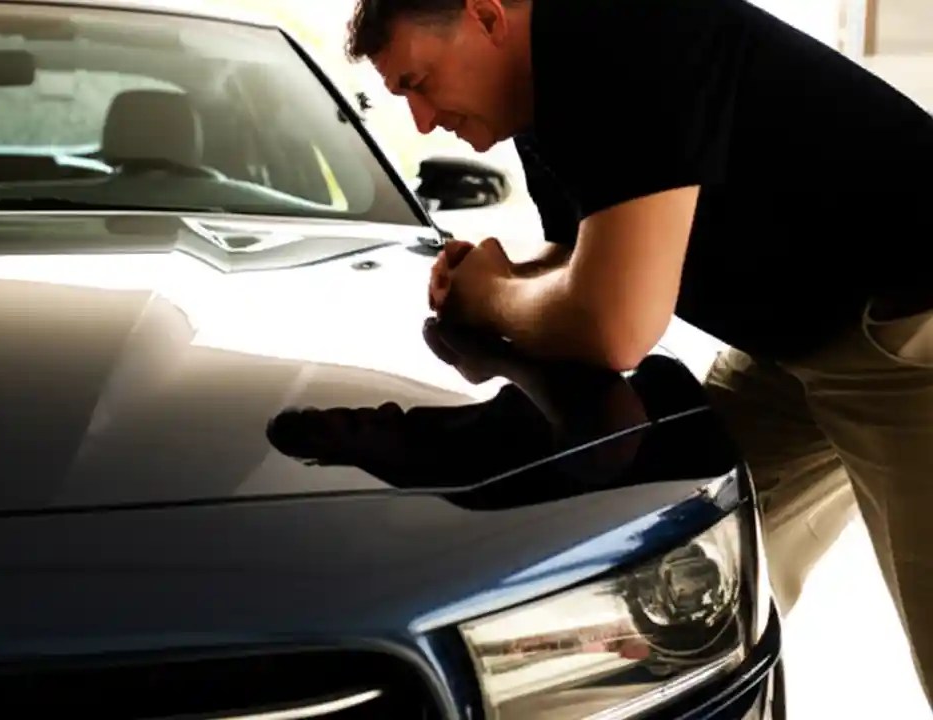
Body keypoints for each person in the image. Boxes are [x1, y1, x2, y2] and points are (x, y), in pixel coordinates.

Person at [344, 0, 933, 705]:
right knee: (671, 588)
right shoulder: (541, 102)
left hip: (911, 326)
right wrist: (494, 278)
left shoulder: (620, 28)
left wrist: (493, 295)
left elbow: (613, 324)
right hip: (795, 343)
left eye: (418, 82)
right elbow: (579, 261)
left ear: (487, 17)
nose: (422, 120)